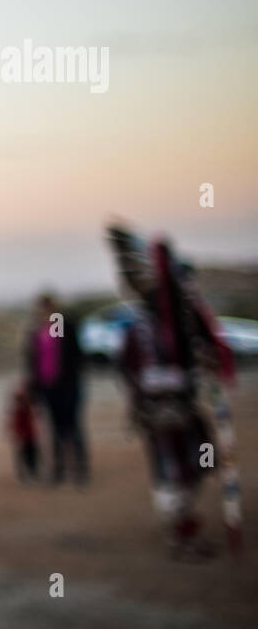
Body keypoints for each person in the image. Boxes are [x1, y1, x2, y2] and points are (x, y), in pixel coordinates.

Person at [107, 227, 236, 560]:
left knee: (194, 466)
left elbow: (199, 356)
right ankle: (181, 534)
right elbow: (130, 372)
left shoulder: (180, 326)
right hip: (160, 414)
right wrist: (146, 401)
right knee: (173, 472)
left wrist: (206, 363)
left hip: (182, 409)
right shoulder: (138, 331)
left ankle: (184, 524)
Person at [23, 292, 88, 484]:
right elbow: (33, 359)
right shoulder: (37, 330)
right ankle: (59, 468)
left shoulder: (62, 326)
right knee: (55, 428)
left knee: (72, 426)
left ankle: (79, 468)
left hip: (66, 385)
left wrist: (54, 322)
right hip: (47, 386)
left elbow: (68, 352)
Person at [7, 382, 40, 483]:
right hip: (25, 437)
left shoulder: (26, 409)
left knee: (29, 455)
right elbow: (14, 424)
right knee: (25, 456)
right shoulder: (20, 410)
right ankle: (26, 473)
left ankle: (30, 472)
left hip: (29, 436)